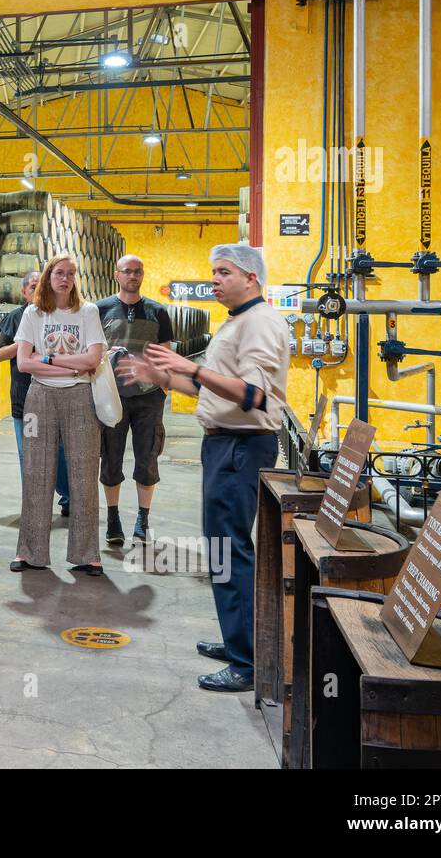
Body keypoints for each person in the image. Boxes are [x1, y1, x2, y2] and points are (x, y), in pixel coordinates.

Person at [119, 243, 288, 693]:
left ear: (251, 278)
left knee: (230, 551)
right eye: (213, 272)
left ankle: (247, 663)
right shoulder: (236, 322)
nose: (214, 279)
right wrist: (162, 377)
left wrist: (189, 370)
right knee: (222, 549)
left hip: (242, 447)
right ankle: (239, 641)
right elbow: (209, 392)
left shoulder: (261, 323)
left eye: (223, 272)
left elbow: (253, 395)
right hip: (225, 447)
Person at [11, 253, 107, 576]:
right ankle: (30, 552)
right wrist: (71, 360)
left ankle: (87, 554)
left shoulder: (88, 312)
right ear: (49, 277)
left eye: (70, 274)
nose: (65, 279)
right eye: (59, 273)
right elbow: (24, 363)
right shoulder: (33, 314)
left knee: (83, 473)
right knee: (36, 472)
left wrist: (49, 359)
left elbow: (92, 359)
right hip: (39, 397)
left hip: (81, 396)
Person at [96, 254, 174, 546]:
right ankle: (113, 518)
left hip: (148, 397)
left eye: (137, 271)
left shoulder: (157, 311)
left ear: (143, 275)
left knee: (147, 458)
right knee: (110, 458)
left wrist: (162, 387)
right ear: (116, 274)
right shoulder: (100, 309)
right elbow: (93, 350)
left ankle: (143, 519)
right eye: (127, 271)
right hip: (111, 397)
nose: (133, 276)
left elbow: (166, 354)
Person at [0, 270, 70, 515]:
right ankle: (34, 503)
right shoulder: (15, 318)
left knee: (59, 453)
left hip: (55, 396)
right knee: (28, 454)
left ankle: (68, 495)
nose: (37, 291)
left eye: (41, 286)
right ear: (24, 291)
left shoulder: (55, 315)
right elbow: (0, 354)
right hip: (24, 401)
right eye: (33, 287)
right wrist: (24, 342)